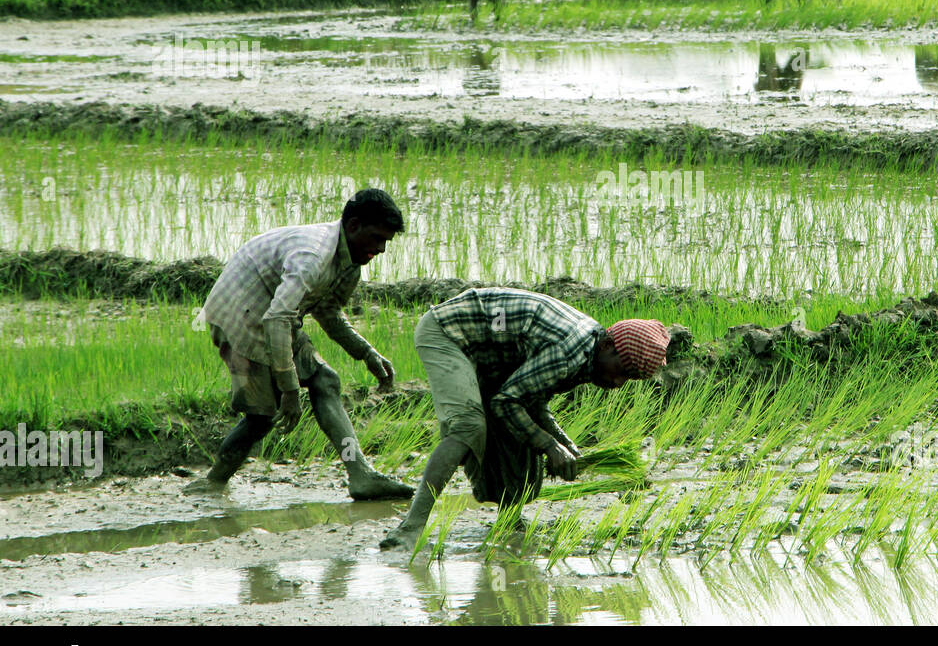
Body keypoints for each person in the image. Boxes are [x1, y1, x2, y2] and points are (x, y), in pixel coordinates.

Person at [380, 288, 671, 551]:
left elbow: (533, 401)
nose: (619, 382)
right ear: (608, 346)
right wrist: (550, 446)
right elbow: (506, 402)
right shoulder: (568, 353)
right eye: (621, 370)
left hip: (492, 352)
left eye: (629, 379)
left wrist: (563, 444)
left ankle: (509, 520)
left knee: (524, 425)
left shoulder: (589, 351)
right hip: (450, 334)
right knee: (468, 426)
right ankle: (411, 528)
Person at [185, 189, 414, 500]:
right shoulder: (313, 256)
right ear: (354, 226)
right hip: (238, 315)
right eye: (376, 237)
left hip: (274, 312)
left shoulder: (350, 262)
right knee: (262, 415)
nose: (382, 248)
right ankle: (213, 483)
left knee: (325, 380)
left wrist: (366, 353)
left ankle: (360, 474)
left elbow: (328, 311)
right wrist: (290, 390)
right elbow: (276, 319)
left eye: (386, 241)